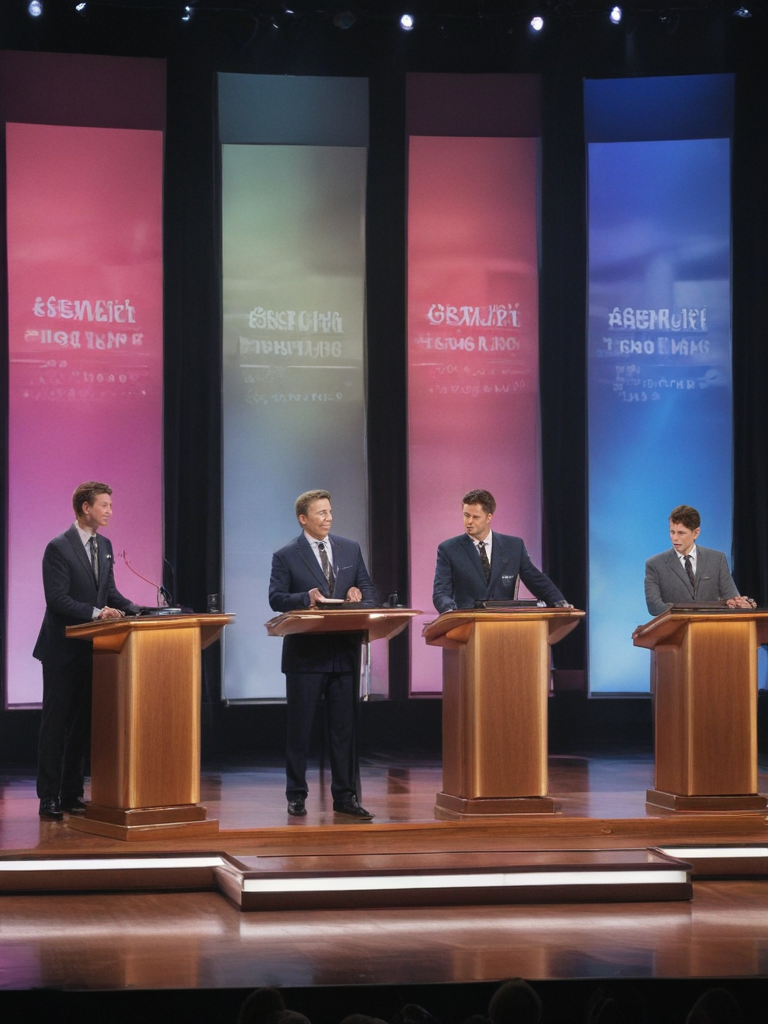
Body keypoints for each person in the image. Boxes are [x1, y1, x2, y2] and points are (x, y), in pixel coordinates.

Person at [269, 489, 380, 820]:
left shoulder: (350, 548)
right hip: (305, 655)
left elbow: (369, 591)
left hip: (343, 652)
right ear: (304, 519)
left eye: (330, 511)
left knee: (344, 731)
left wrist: (359, 595)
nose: (329, 517)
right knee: (300, 730)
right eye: (321, 513)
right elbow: (276, 598)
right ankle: (296, 794)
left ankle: (346, 796)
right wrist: (306, 597)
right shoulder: (286, 555)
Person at [34, 481, 139, 820]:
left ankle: (71, 794)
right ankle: (48, 797)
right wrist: (98, 614)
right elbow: (58, 600)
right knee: (56, 724)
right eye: (104, 505)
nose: (110, 511)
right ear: (85, 508)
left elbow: (109, 593)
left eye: (110, 504)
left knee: (81, 726)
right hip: (62, 650)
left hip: (92, 651)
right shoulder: (59, 547)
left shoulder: (104, 545)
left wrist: (142, 610)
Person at [432, 488, 570, 613]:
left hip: (504, 624)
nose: (469, 522)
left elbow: (536, 579)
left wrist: (558, 601)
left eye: (475, 517)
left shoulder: (514, 546)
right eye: (466, 515)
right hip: (465, 626)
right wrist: (450, 611)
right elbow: (441, 592)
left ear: (489, 517)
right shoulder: (448, 549)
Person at [644, 504, 756, 617]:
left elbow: (732, 599)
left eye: (681, 533)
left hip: (712, 630)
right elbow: (654, 607)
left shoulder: (717, 560)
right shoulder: (655, 564)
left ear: (696, 533)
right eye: (672, 532)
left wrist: (739, 603)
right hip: (676, 632)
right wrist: (690, 612)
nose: (674, 538)